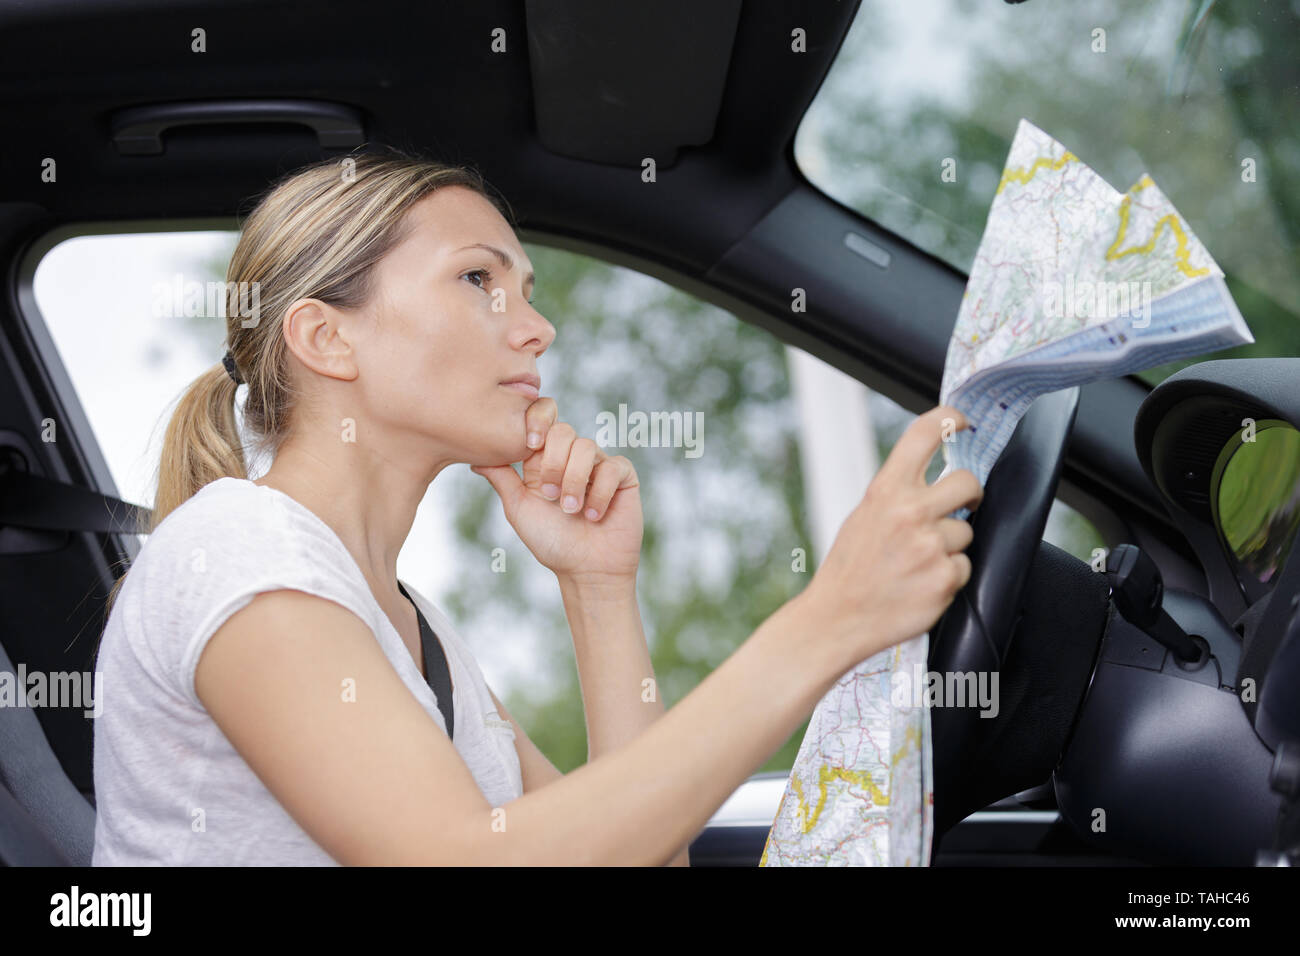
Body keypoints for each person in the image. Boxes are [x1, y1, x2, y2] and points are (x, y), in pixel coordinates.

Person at [90, 151, 982, 866]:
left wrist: (599, 591)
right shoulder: (234, 548)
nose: (536, 328)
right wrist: (828, 623)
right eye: (479, 280)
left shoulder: (418, 633)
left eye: (526, 290)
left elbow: (640, 859)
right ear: (328, 338)